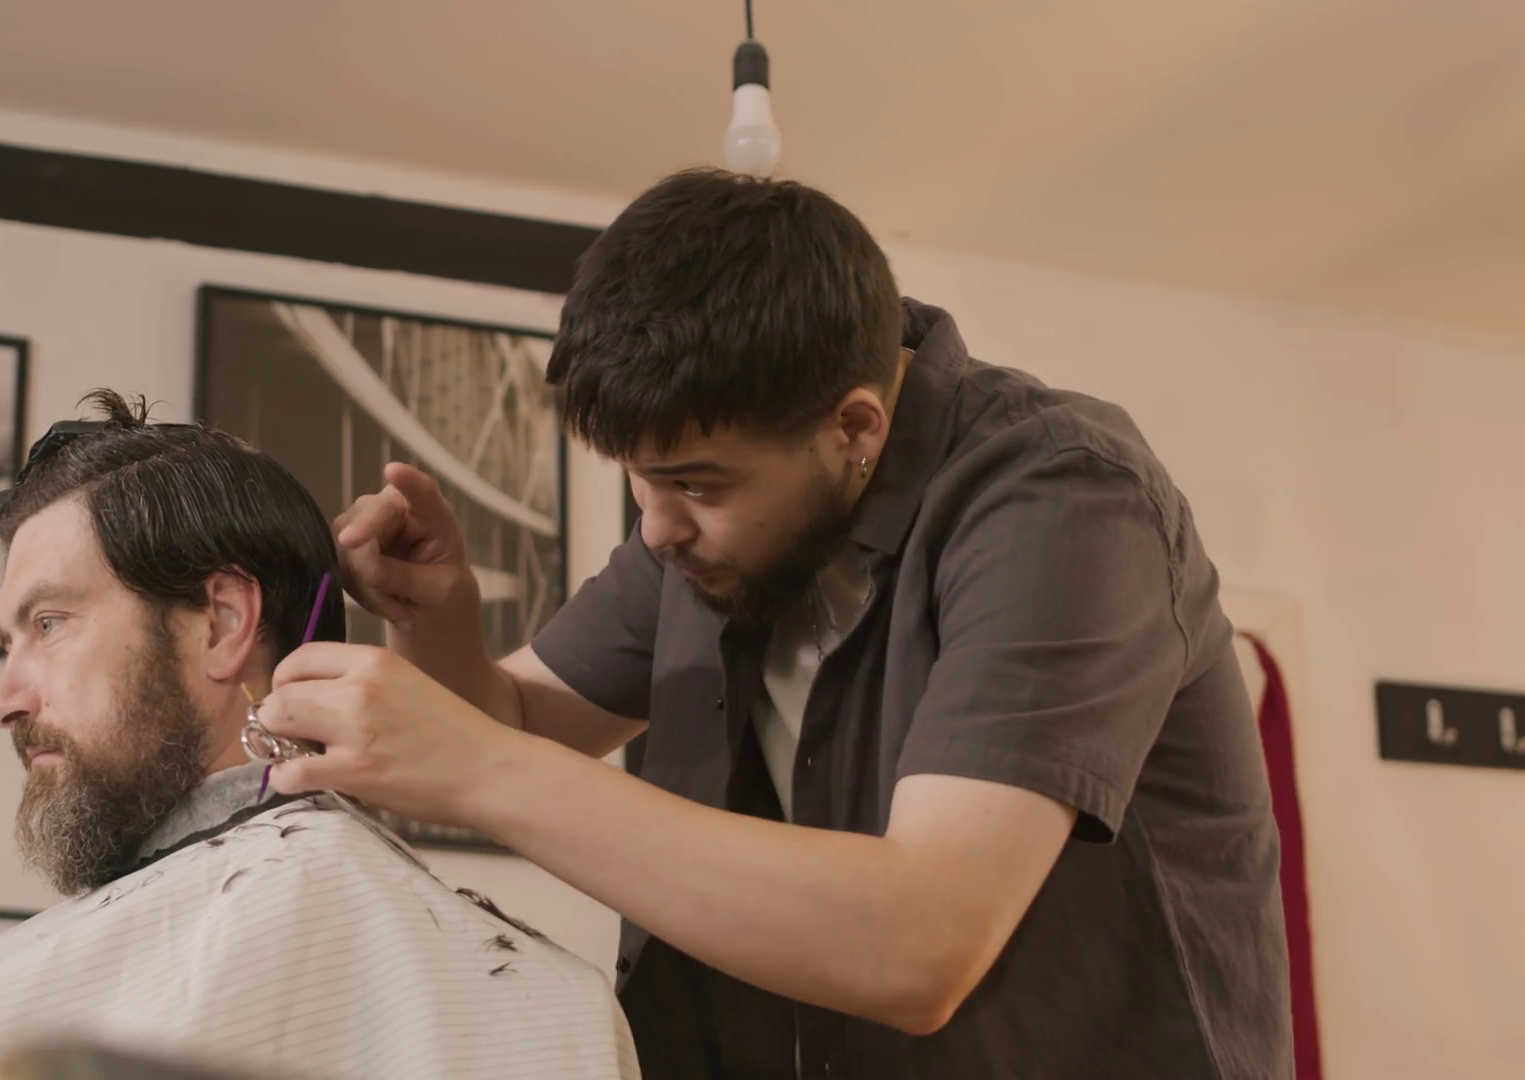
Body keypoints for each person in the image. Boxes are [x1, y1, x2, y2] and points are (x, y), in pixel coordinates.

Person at [256, 170, 1292, 1079]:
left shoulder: (1063, 500)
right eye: (641, 482)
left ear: (854, 429)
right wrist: (439, 626)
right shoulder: (717, 533)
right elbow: (517, 723)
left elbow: (917, 942)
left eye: (694, 483)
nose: (655, 529)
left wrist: (477, 764)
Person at [0, 392, 640, 1080]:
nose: (2, 699)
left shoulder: (338, 918)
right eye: (8, 641)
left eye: (48, 624)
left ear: (222, 623)